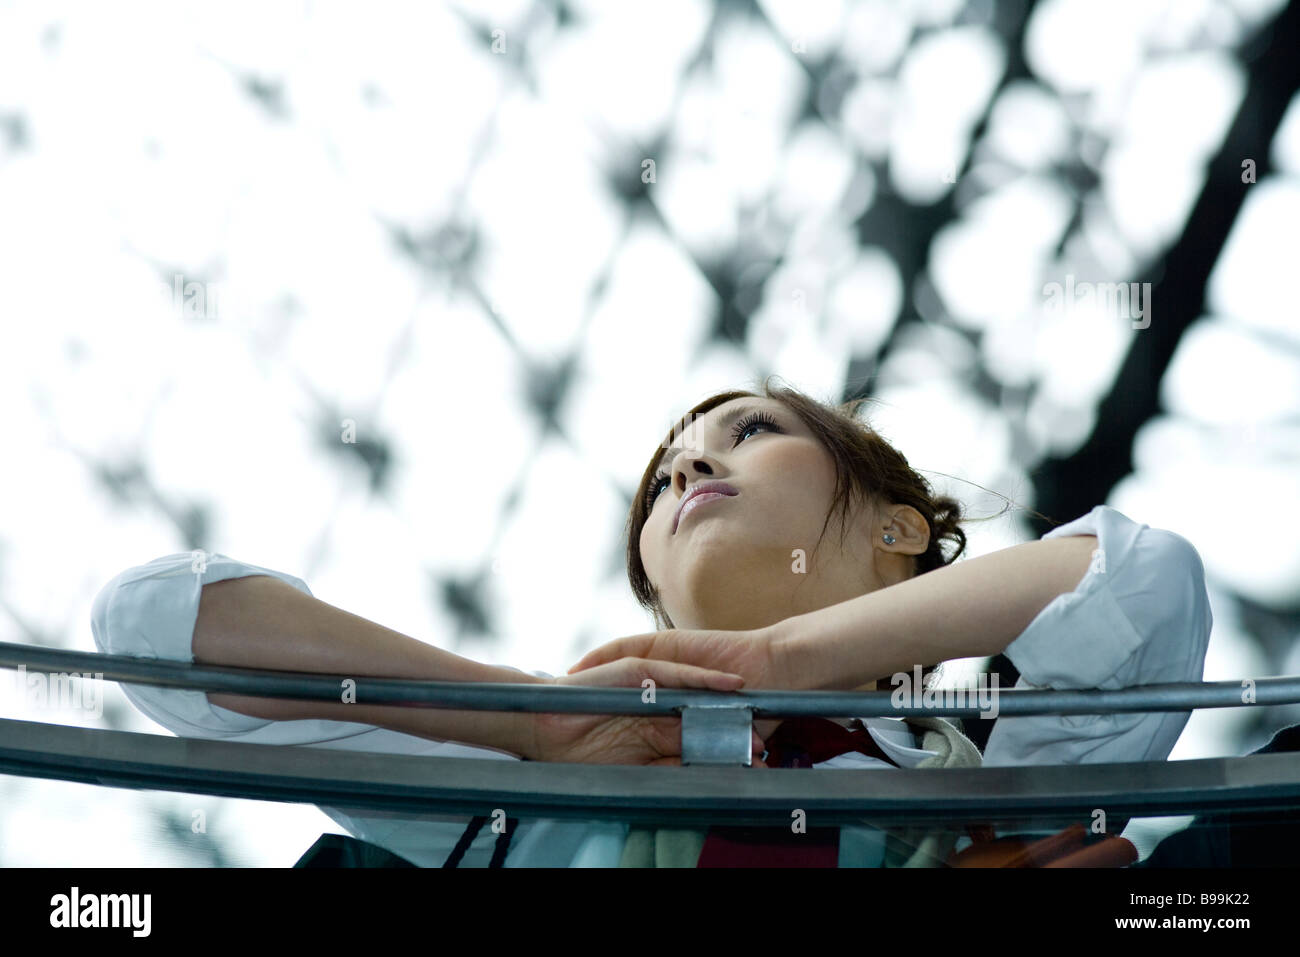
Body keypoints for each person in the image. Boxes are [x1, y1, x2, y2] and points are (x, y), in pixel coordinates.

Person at [89, 379, 1214, 866]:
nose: (689, 460)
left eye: (750, 428)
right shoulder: (523, 782)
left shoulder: (998, 791)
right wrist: (522, 724)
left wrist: (775, 661)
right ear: (658, 590)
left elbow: (1137, 578)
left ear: (899, 530)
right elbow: (155, 623)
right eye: (661, 481)